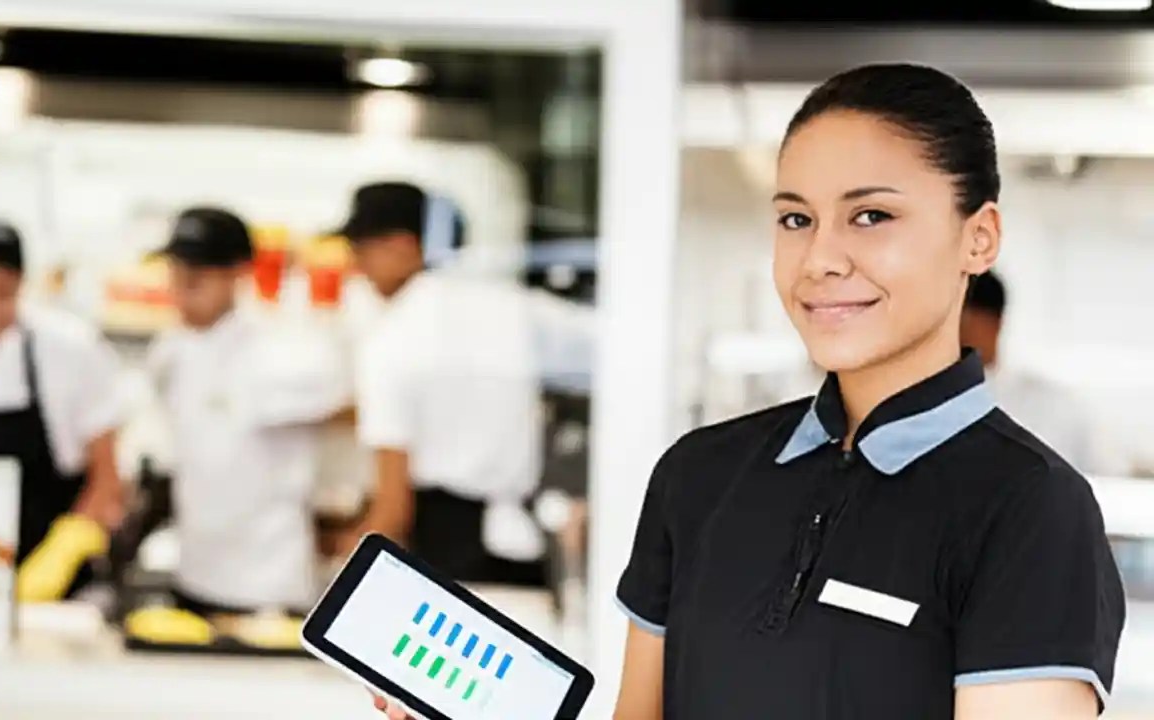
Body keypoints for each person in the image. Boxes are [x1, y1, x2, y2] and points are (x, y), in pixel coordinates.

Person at [376, 64, 1126, 719]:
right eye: (796, 219)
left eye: (871, 216)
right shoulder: (698, 476)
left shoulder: (1030, 509)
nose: (820, 258)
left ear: (979, 238)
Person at [333, 181, 593, 588]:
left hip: (443, 546)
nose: (356, 267)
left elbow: (393, 507)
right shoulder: (514, 307)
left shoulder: (393, 341)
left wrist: (344, 567)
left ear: (403, 246)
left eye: (361, 251)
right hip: (521, 544)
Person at [148, 207, 348, 615]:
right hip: (193, 574)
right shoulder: (170, 352)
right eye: (177, 276)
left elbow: (348, 407)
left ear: (238, 272)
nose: (183, 292)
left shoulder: (283, 351)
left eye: (197, 279)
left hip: (267, 585)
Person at [0, 220, 126, 606]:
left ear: (21, 285)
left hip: (53, 586)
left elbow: (108, 482)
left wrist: (62, 553)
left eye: (1, 293)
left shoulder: (73, 352)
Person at [960, 270, 1096, 471]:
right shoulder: (921, 398)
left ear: (993, 323)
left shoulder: (1052, 403)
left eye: (963, 321)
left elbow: (1110, 474)